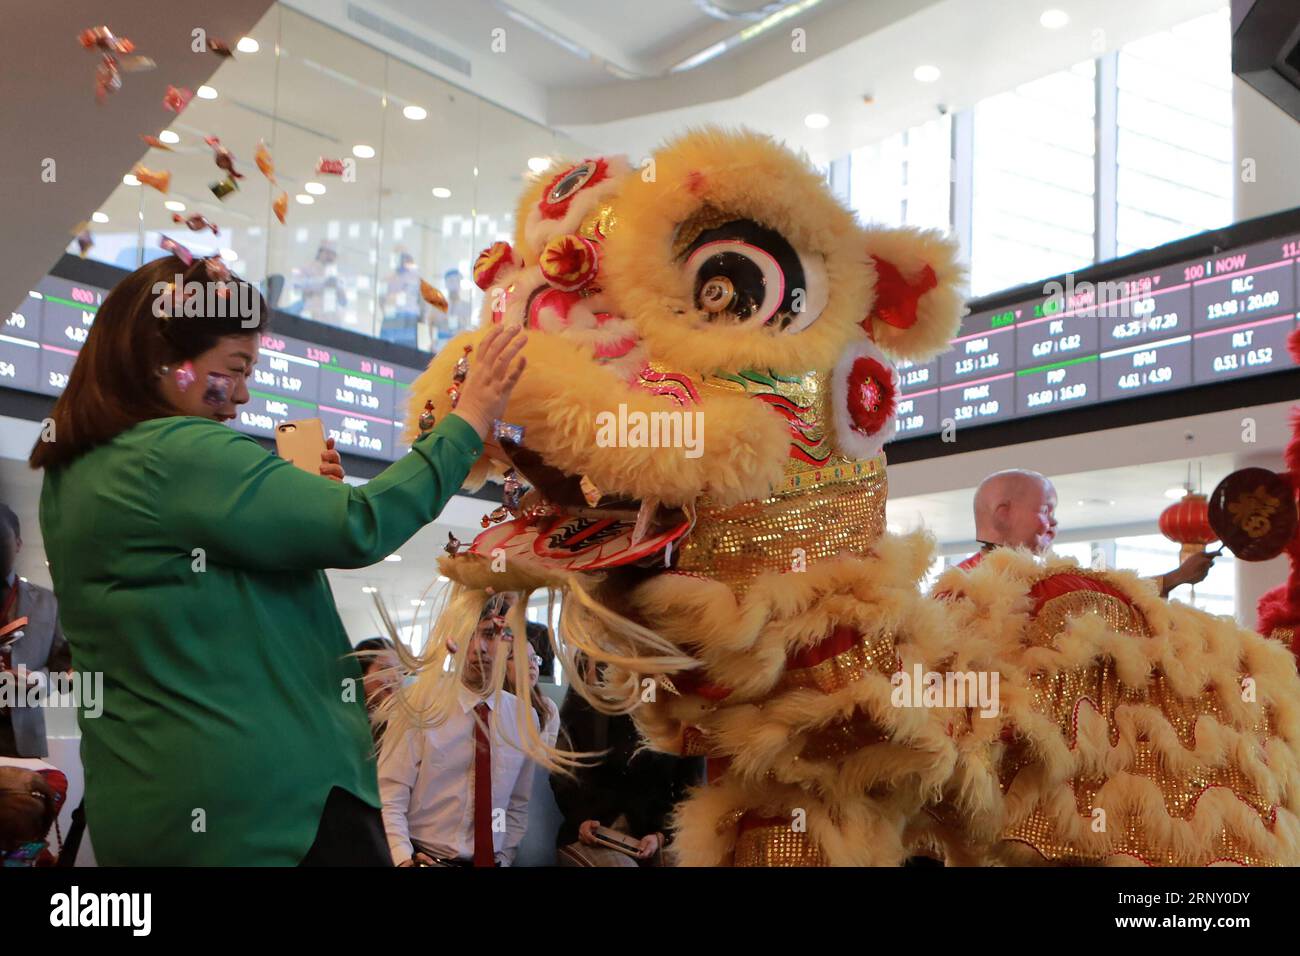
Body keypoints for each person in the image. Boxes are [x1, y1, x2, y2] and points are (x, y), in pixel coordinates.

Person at [29, 253, 526, 865]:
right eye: (233, 369)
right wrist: (470, 418)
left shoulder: (76, 473)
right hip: (268, 814)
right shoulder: (175, 451)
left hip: (157, 803)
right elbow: (360, 524)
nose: (240, 395)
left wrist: (287, 508)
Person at [378, 595, 545, 867]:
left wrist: (504, 857)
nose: (477, 647)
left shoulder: (524, 717)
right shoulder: (419, 705)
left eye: (490, 635)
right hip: (423, 857)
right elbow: (391, 794)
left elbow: (517, 803)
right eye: (467, 635)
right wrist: (403, 860)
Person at [550, 654, 703, 866]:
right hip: (591, 832)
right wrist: (582, 819)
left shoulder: (674, 704)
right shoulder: (586, 699)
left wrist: (662, 835)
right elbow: (563, 771)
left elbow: (691, 787)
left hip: (652, 833)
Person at [960, 469, 1214, 596]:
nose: (1053, 522)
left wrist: (1175, 578)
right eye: (1045, 510)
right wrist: (1174, 578)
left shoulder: (1045, 578)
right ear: (1003, 513)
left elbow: (1100, 591)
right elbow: (1102, 596)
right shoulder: (962, 585)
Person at [0, 503, 71, 759]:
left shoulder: (48, 603)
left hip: (24, 743)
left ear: (17, 544)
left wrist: (40, 682)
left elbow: (66, 672)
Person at [354, 637, 402, 744]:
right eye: (385, 669)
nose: (397, 678)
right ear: (360, 675)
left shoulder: (399, 724)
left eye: (399, 670)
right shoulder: (348, 725)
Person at [379, 251, 424, 349]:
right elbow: (381, 301)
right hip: (392, 319)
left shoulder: (416, 281)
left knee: (408, 350)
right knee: (385, 350)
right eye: (403, 259)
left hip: (409, 319)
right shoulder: (387, 279)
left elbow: (422, 303)